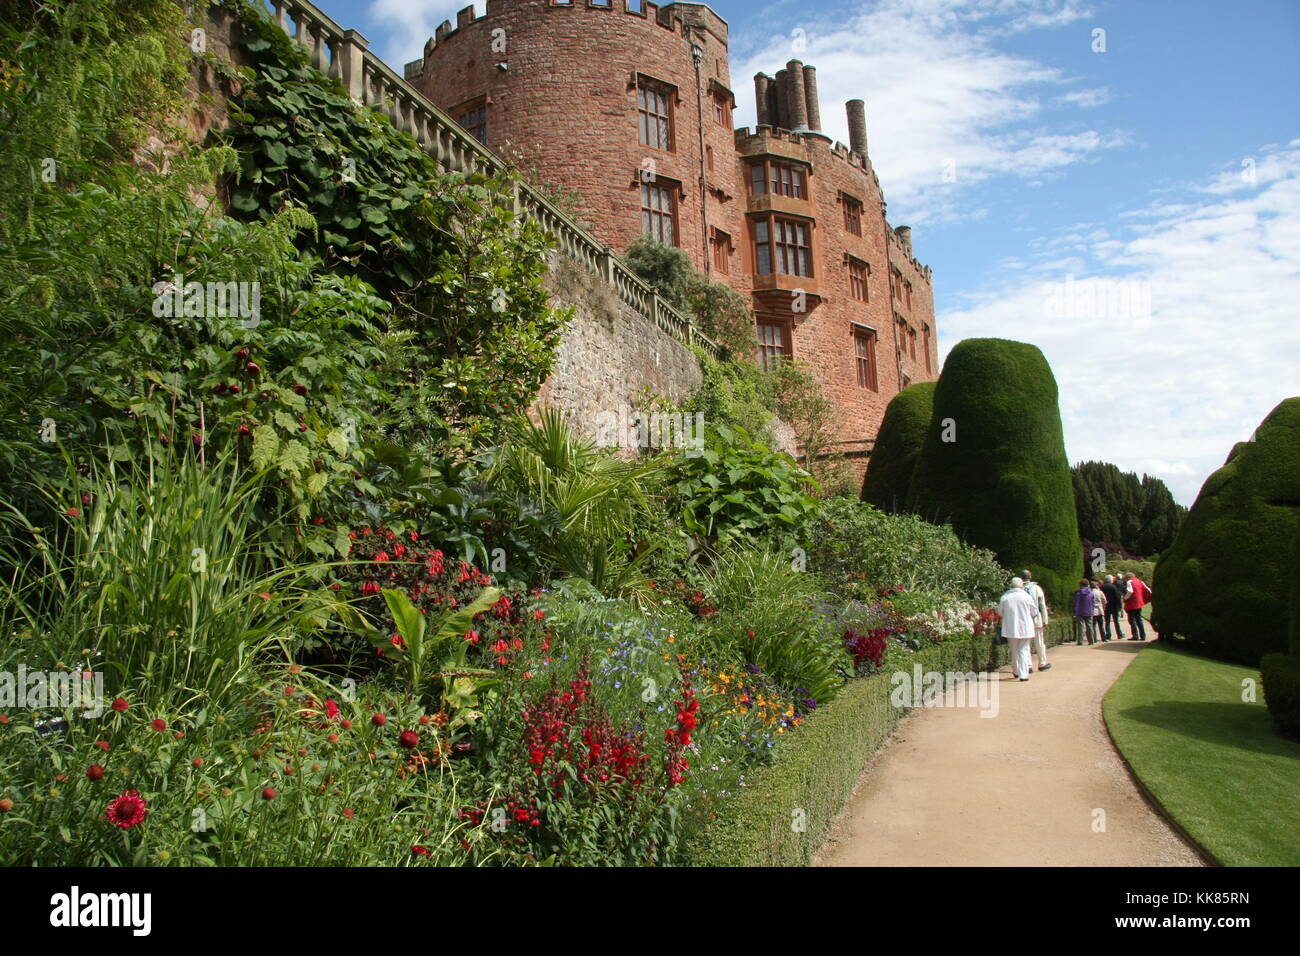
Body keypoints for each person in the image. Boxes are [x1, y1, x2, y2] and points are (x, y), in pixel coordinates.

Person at [1000, 576, 1039, 681]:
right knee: (1024, 650)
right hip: (1025, 627)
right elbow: (1034, 612)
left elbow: (1000, 612)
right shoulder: (1027, 596)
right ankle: (1023, 674)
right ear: (1021, 585)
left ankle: (1016, 671)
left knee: (1014, 650)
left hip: (1011, 628)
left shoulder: (1005, 597)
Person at [1021, 570, 1052, 672]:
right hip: (1036, 618)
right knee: (1039, 641)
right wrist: (1045, 619)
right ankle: (1042, 663)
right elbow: (1042, 605)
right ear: (1030, 576)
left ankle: (1028, 665)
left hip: (1024, 618)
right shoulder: (1036, 588)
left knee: (1026, 643)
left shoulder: (1019, 588)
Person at [1124, 572, 1153, 641]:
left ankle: (1135, 635)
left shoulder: (1129, 582)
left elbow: (1130, 592)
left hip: (1132, 603)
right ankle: (1143, 636)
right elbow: (1149, 590)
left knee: (1132, 620)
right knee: (1139, 620)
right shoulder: (1140, 581)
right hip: (1139, 603)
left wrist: (1125, 598)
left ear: (1128, 577)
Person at [1072, 578, 1097, 645]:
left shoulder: (1079, 593)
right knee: (1090, 627)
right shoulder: (1091, 593)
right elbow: (1093, 602)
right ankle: (1091, 641)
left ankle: (1080, 641)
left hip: (1080, 611)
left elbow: (1076, 602)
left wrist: (1075, 610)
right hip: (1089, 611)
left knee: (1080, 627)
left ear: (1081, 585)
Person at [1101, 574, 1124, 641]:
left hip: (1106, 606)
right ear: (1110, 580)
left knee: (1107, 622)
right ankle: (1119, 634)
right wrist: (1119, 606)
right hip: (1114, 606)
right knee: (1116, 621)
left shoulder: (1102, 587)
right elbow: (1117, 597)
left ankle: (1108, 635)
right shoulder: (1113, 587)